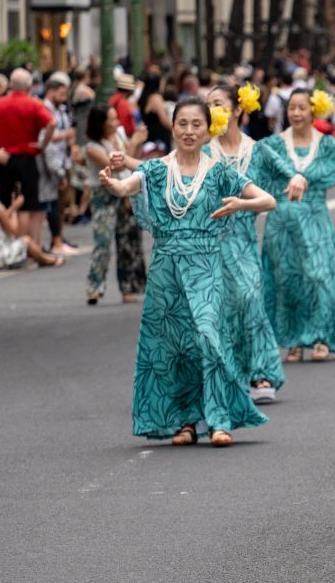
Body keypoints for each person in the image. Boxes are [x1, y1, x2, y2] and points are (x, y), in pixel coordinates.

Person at [99, 98, 276, 446]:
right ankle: (184, 422)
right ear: (173, 126)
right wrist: (112, 184)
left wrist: (241, 203)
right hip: (167, 270)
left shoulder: (219, 171)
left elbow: (267, 200)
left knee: (208, 337)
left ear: (207, 128)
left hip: (206, 267)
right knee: (175, 347)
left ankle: (219, 420)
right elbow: (126, 186)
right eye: (182, 123)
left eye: (197, 124)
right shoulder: (154, 170)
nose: (189, 131)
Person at [261, 88, 335, 362]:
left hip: (316, 219)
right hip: (282, 225)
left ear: (312, 111)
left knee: (318, 277)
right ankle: (294, 341)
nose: (295, 113)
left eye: (301, 108)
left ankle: (320, 337)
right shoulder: (273, 145)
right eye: (291, 108)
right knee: (288, 281)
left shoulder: (325, 144)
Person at [204, 84, 306, 402]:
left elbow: (290, 173)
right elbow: (165, 168)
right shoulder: (203, 152)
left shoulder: (257, 150)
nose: (210, 111)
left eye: (217, 104)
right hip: (207, 244)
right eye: (207, 105)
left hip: (244, 242)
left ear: (237, 109)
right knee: (218, 311)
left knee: (249, 299)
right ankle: (228, 376)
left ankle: (261, 374)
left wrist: (297, 180)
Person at [84, 106, 148, 304]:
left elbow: (130, 160)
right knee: (103, 241)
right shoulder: (93, 147)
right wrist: (134, 143)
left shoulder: (119, 135)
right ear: (100, 124)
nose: (116, 123)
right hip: (104, 196)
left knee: (129, 241)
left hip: (125, 192)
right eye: (111, 119)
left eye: (115, 118)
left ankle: (129, 288)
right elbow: (115, 165)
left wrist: (137, 144)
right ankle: (95, 286)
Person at [0, 69, 56, 245]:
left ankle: (10, 241)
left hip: (4, 158)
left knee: (4, 199)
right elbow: (51, 123)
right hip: (27, 156)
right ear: (28, 86)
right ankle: (27, 244)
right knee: (28, 203)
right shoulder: (33, 104)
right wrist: (43, 144)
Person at [0, 179, 64, 271]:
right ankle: (45, 259)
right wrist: (14, 208)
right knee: (26, 240)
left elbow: (1, 223)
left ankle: (43, 257)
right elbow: (13, 230)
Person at [40, 73, 78, 254]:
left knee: (62, 201)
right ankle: (56, 240)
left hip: (64, 159)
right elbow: (46, 137)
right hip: (52, 161)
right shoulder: (44, 109)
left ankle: (60, 237)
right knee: (53, 202)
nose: (64, 98)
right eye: (61, 94)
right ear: (51, 92)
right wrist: (66, 135)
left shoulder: (62, 109)